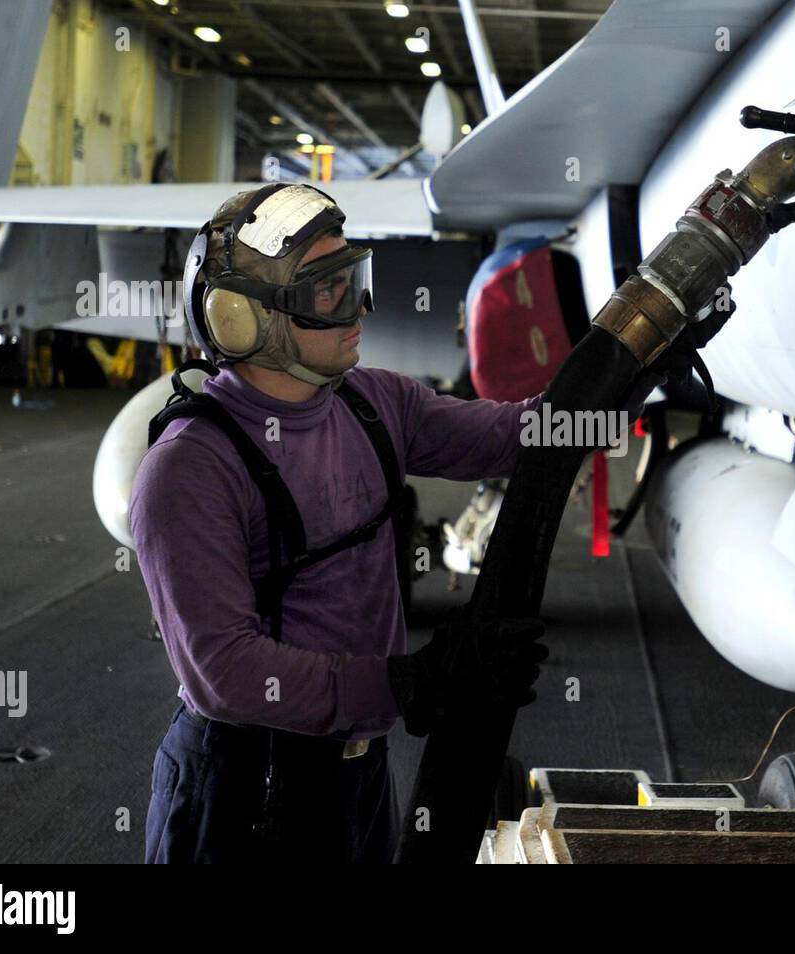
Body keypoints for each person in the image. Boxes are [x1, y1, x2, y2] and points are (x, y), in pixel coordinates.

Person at [131, 182, 547, 864]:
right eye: (329, 290)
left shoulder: (373, 402)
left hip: (356, 772)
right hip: (244, 789)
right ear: (242, 319)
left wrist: (623, 376)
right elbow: (225, 672)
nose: (360, 307)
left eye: (356, 278)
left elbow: (513, 435)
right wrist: (406, 683)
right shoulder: (190, 469)